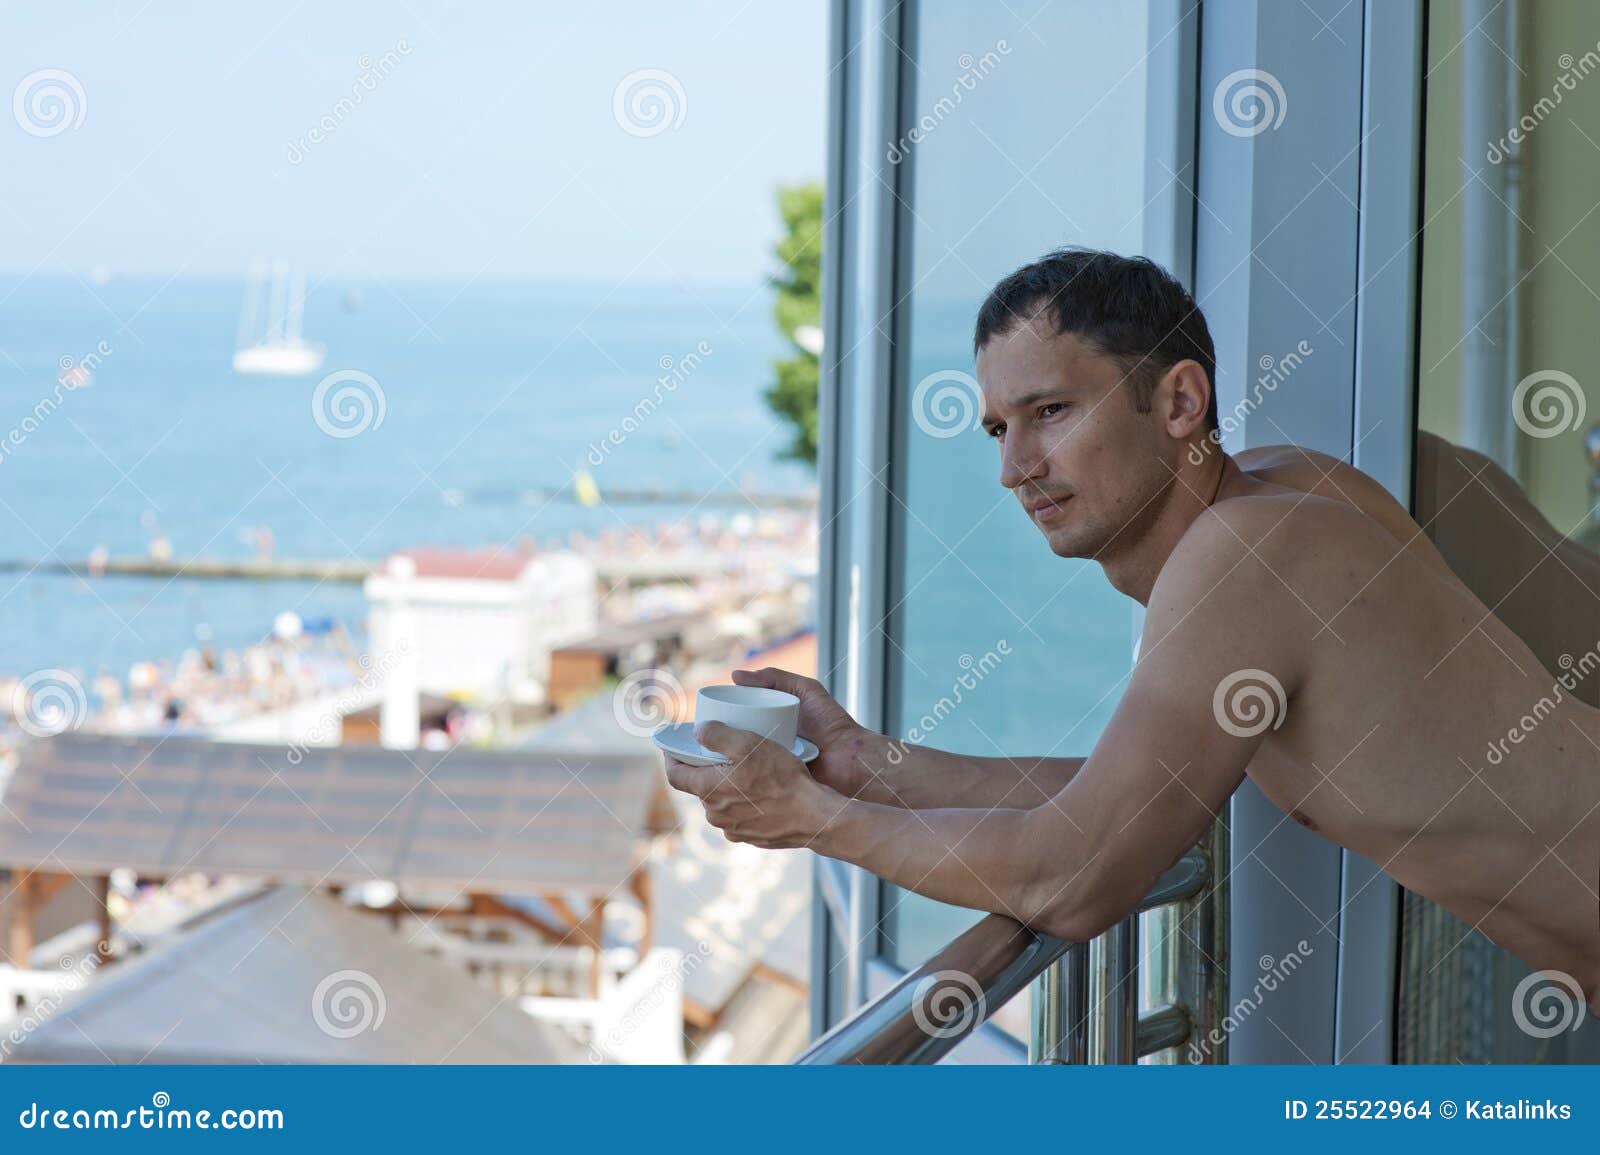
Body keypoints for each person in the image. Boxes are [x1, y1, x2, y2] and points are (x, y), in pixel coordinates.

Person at [664, 247, 1600, 1015]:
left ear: (1181, 402)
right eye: (998, 429)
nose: (1016, 468)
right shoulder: (1281, 493)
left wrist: (811, 818)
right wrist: (868, 767)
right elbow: (1118, 803)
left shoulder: (1246, 558)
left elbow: (1075, 875)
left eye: (1052, 412)